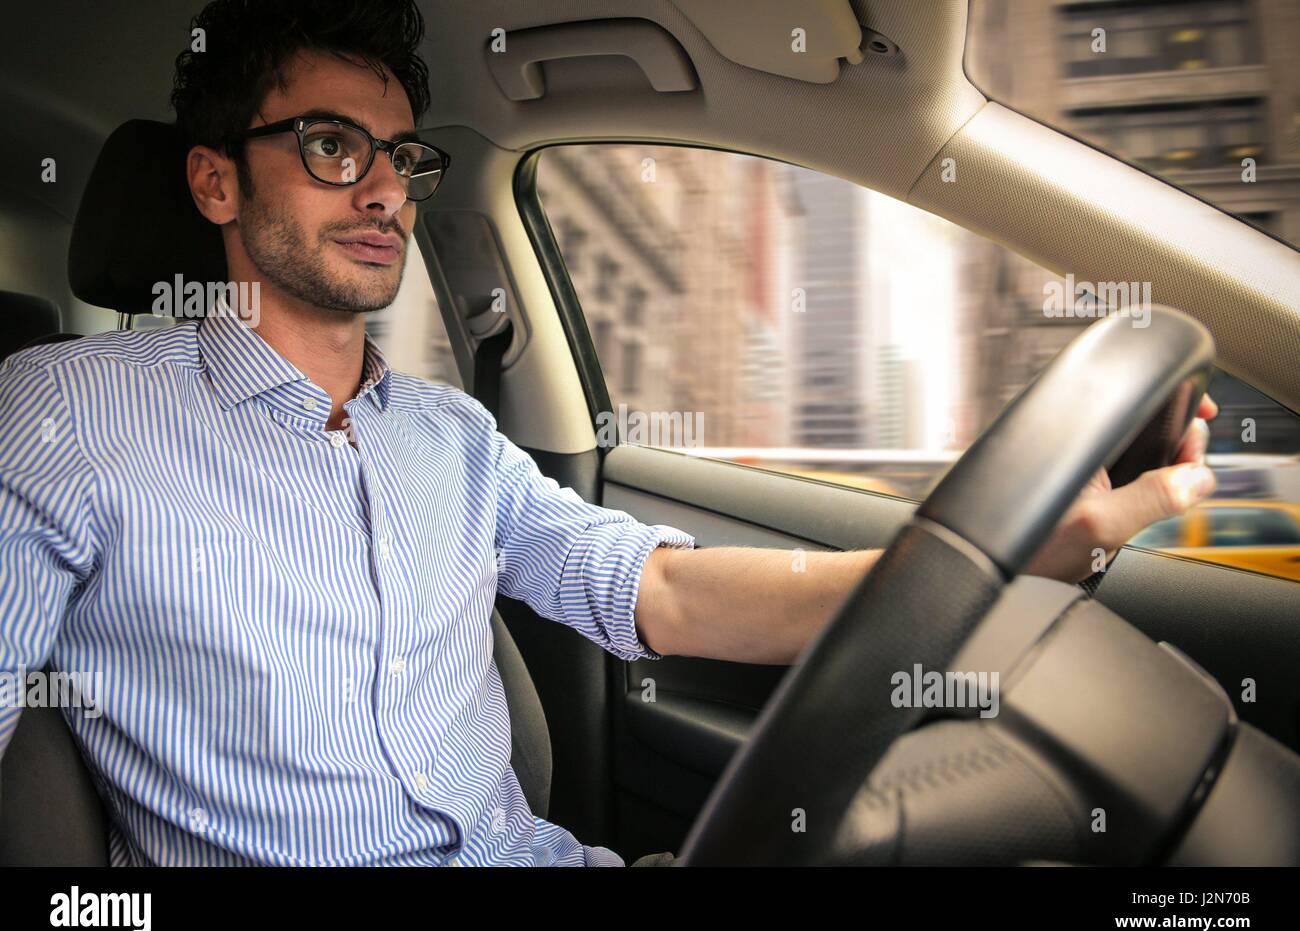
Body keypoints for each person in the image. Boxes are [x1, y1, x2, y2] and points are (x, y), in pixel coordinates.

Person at [0, 0, 1217, 866]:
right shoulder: (66, 411)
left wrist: (1025, 552)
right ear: (217, 183)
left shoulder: (453, 435)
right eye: (330, 146)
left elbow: (669, 598)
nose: (383, 190)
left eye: (401, 156)